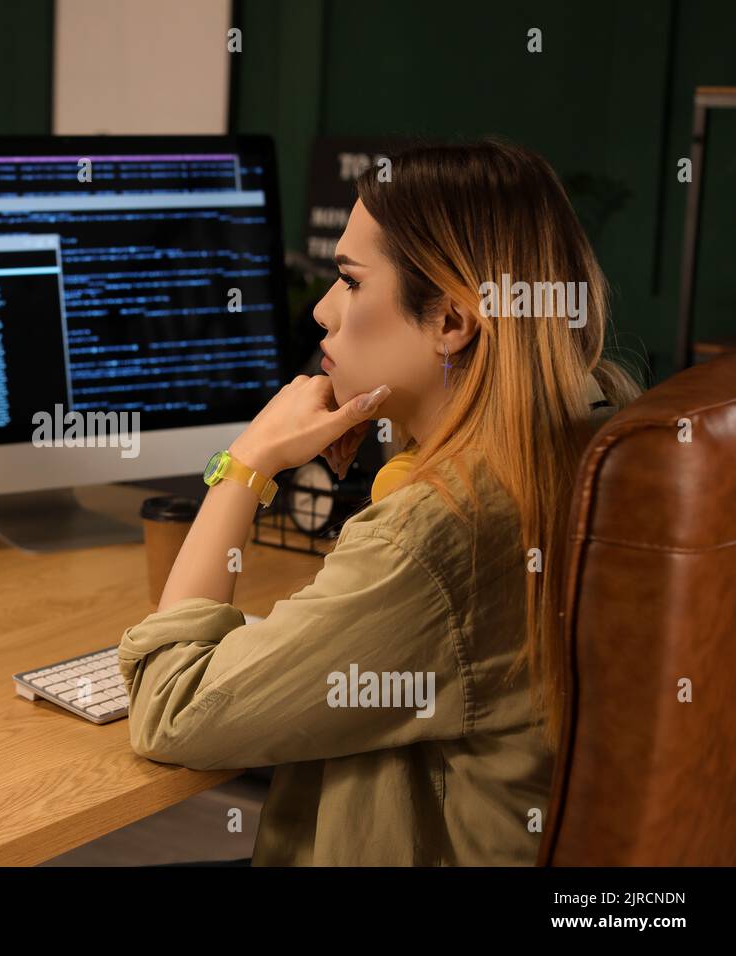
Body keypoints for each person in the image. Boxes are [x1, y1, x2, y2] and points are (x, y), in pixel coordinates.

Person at [120, 139, 641, 866]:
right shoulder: (605, 425)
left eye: (351, 282)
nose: (325, 313)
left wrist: (246, 465)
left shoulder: (436, 532)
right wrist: (407, 443)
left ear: (452, 323)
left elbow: (170, 709)